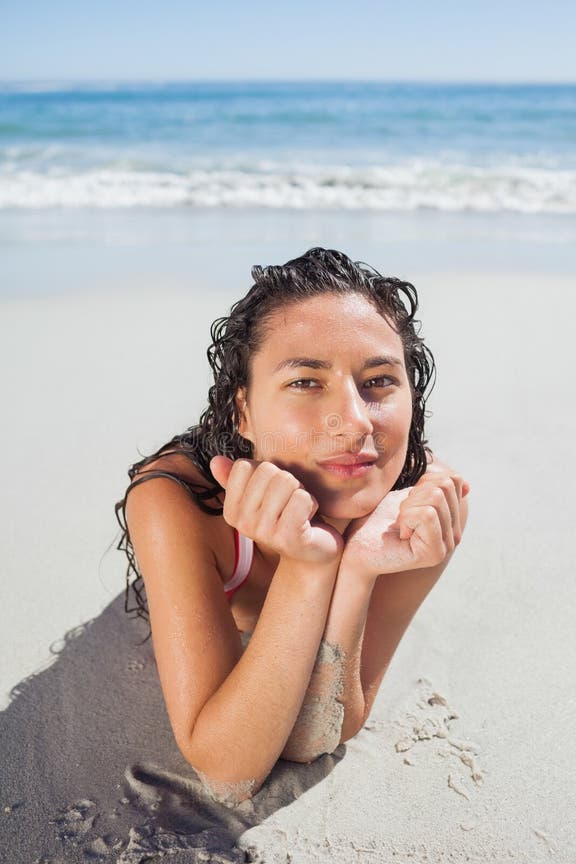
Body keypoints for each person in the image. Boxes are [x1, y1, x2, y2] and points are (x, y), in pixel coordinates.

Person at [114, 247, 470, 806]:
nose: (354, 421)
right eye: (306, 381)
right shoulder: (178, 500)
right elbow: (228, 770)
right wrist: (309, 567)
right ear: (243, 412)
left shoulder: (422, 505)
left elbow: (320, 736)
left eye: (379, 380)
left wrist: (356, 569)